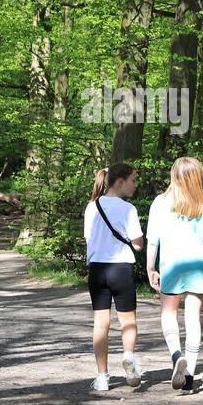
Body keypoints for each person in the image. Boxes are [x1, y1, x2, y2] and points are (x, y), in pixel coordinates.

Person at [146, 157, 203, 393]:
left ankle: (176, 354)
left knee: (169, 313)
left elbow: (152, 240)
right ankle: (189, 376)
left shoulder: (160, 202)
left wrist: (150, 268)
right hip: (198, 265)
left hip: (171, 264)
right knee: (193, 318)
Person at [84, 164, 145, 392]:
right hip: (121, 268)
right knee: (127, 321)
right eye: (133, 180)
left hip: (98, 269)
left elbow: (89, 238)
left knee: (101, 324)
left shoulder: (92, 207)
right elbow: (138, 245)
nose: (135, 185)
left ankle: (102, 376)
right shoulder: (128, 209)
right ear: (120, 181)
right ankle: (128, 356)